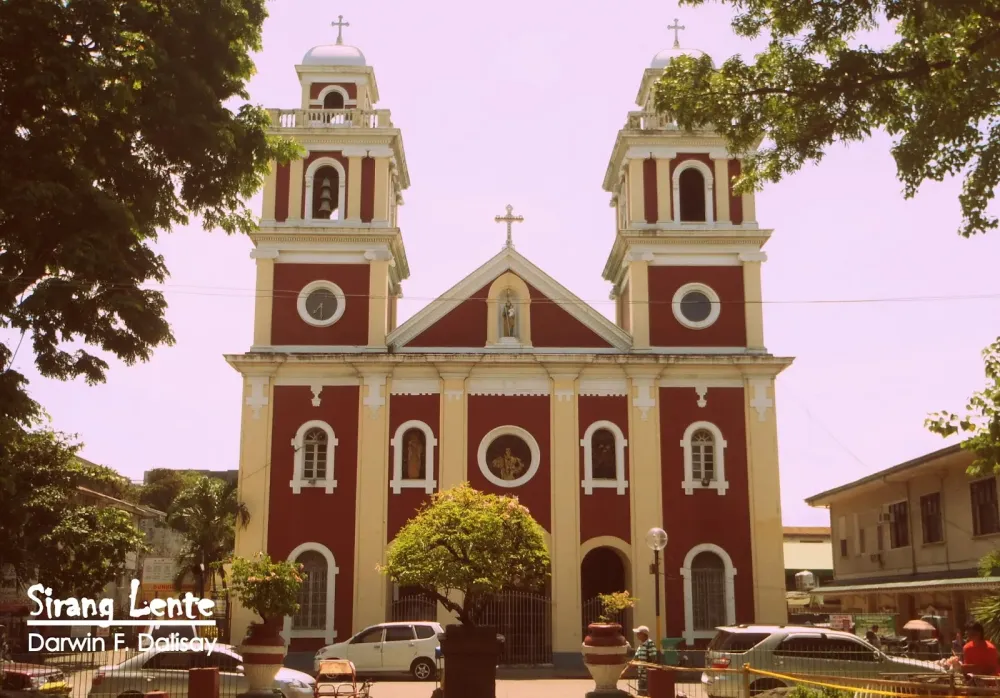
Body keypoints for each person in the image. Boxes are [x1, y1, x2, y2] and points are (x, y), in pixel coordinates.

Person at [633, 625, 657, 697]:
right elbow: (636, 657)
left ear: (643, 634)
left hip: (647, 675)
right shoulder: (641, 645)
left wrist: (649, 668)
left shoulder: (649, 643)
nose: (637, 635)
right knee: (641, 693)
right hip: (641, 675)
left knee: (647, 694)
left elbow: (653, 658)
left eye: (638, 633)